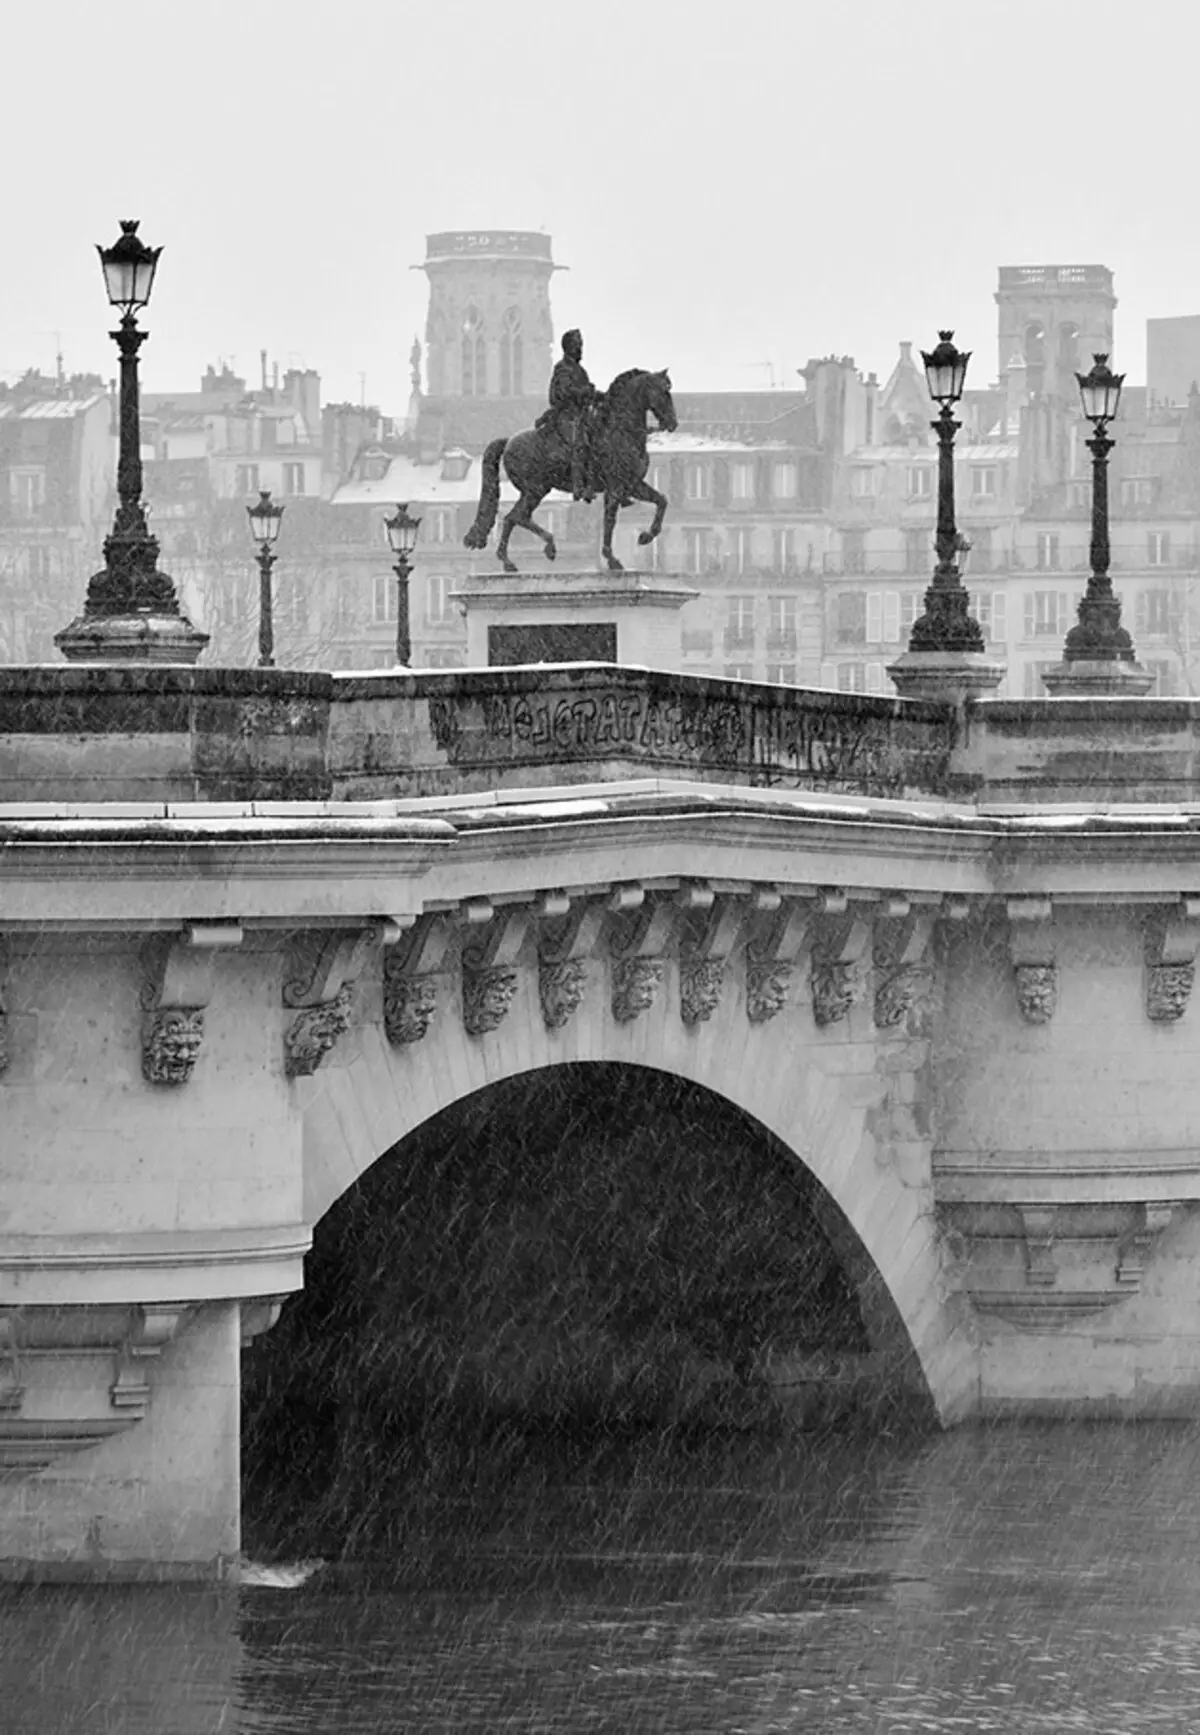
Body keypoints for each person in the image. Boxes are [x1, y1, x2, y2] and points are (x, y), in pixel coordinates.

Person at [536, 330, 601, 501]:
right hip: (566, 414)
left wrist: (600, 395)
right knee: (578, 442)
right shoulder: (563, 368)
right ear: (568, 348)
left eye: (581, 346)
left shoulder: (580, 370)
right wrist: (583, 391)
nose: (580, 350)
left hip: (581, 414)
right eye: (577, 346)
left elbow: (587, 392)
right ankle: (578, 486)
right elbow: (565, 392)